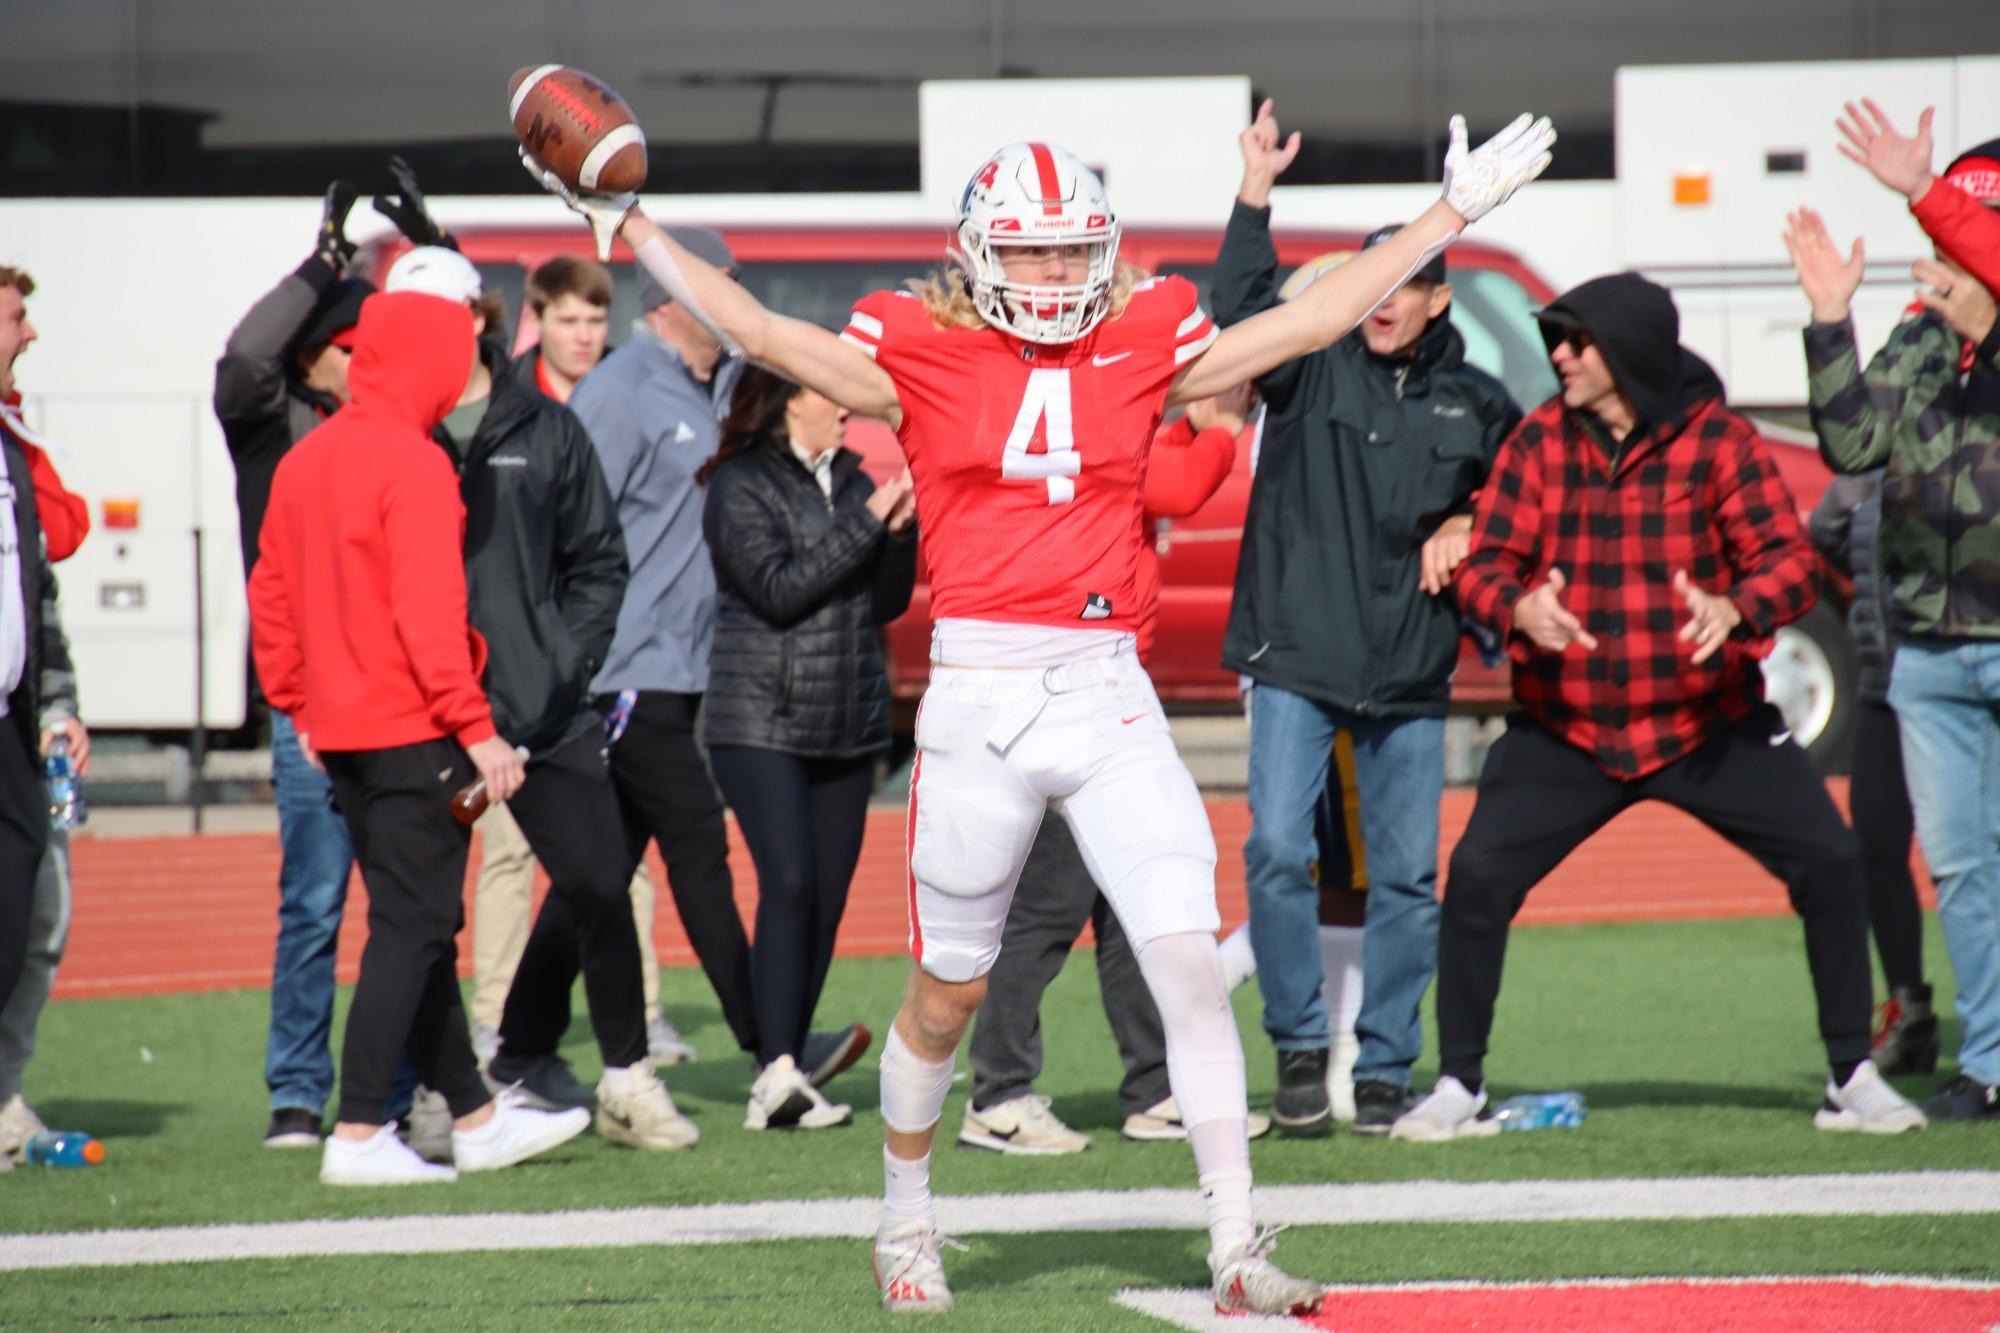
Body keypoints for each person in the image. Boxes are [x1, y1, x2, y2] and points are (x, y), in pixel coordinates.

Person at [526, 98, 1553, 1314]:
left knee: (1180, 956)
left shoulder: (1145, 335)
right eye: (1030, 250)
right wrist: (630, 221)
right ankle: (905, 1214)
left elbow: (1314, 314)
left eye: (1073, 247)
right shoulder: (914, 345)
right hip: (976, 699)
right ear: (980, 253)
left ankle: (1236, 1240)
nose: (1056, 270)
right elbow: (752, 324)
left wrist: (1453, 211)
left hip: (1108, 689)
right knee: (945, 993)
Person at [1392, 270, 1925, 1142]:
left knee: (1830, 860)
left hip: (1706, 724)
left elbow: (1789, 564)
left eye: (1576, 340)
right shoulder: (1537, 443)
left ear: (1630, 353)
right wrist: (1517, 605)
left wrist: (1737, 608)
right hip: (1566, 729)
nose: (1558, 354)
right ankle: (1458, 1083)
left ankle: (1850, 1074)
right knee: (1479, 878)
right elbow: (1486, 562)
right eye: (1554, 339)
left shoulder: (1720, 443)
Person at [1218, 103, 1523, 1138]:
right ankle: (1300, 1052)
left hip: (1407, 669)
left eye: (1407, 285)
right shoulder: (1307, 363)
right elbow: (1237, 310)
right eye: (1372, 284)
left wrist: (1473, 515)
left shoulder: (1479, 403)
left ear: (1439, 300)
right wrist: (1254, 189)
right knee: (1270, 849)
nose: (1382, 302)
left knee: (1404, 875)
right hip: (1295, 655)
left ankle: (1386, 1062)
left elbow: (1536, 497)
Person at [248, 286, 592, 1186]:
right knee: (413, 925)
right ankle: (359, 1129)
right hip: (412, 728)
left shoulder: (306, 458)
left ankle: (474, 1118)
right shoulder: (414, 462)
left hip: (347, 734)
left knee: (421, 924)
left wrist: (300, 707)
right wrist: (478, 729)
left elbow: (271, 598)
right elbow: (430, 615)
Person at [384, 247, 697, 1151]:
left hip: (541, 703)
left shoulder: (544, 423)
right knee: (425, 914)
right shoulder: (389, 429)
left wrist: (564, 663)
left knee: (601, 877)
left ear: (477, 320)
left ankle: (625, 1076)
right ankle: (442, 1087)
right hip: (423, 711)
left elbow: (599, 558)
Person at [569, 232, 870, 1093]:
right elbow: (574, 528)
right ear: (667, 295)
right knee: (701, 849)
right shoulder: (620, 391)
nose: (731, 294)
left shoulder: (736, 384)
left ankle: (518, 1044)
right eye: (718, 281)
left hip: (712, 670)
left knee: (598, 871)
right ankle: (768, 1045)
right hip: (633, 667)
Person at [958, 388, 1262, 1156]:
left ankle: (1153, 1085)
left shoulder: (1105, 417)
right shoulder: (1093, 421)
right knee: (1046, 907)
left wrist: (1199, 421)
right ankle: (998, 1093)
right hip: (1066, 689)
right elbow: (1178, 484)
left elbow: (1162, 458)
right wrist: (1221, 429)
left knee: (1134, 900)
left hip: (1105, 688)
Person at [1789, 103, 2000, 1123]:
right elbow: (1851, 450)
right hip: (1926, 648)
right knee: (1959, 865)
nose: (1944, 251)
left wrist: (1922, 187)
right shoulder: (1919, 334)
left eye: (1963, 228)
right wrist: (1828, 319)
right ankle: (1989, 1061)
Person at [466, 251, 693, 1069]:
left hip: (601, 664)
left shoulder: (615, 399)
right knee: (508, 854)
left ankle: (641, 1013)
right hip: (510, 679)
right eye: (568, 320)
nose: (585, 335)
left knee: (615, 858)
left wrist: (582, 648)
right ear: (537, 323)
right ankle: (496, 1013)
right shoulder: (502, 406)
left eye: (597, 320)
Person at [698, 364, 918, 1129]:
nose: (851, 407)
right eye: (835, 392)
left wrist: (897, 534)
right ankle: (776, 1071)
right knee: (788, 881)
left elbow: (885, 600)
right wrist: (865, 527)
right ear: (794, 398)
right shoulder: (740, 485)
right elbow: (779, 589)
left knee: (824, 898)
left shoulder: (856, 478)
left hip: (847, 720)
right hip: (759, 718)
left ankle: (784, 1066)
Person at [1807, 472, 1936, 1073]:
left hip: (1969, 682)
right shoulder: (1862, 475)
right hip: (1886, 687)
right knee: (1877, 847)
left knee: (1973, 857)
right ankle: (1909, 1013)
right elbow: (1827, 533)